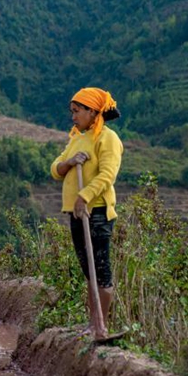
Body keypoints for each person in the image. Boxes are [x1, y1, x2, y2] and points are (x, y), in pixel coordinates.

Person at [50, 87, 123, 339]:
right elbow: (54, 168)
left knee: (100, 268)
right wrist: (69, 163)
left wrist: (85, 196)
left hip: (97, 212)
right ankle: (92, 324)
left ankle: (101, 327)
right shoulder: (76, 139)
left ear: (92, 111)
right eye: (72, 112)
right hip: (76, 213)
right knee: (87, 269)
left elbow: (108, 174)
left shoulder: (107, 138)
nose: (73, 117)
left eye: (77, 111)